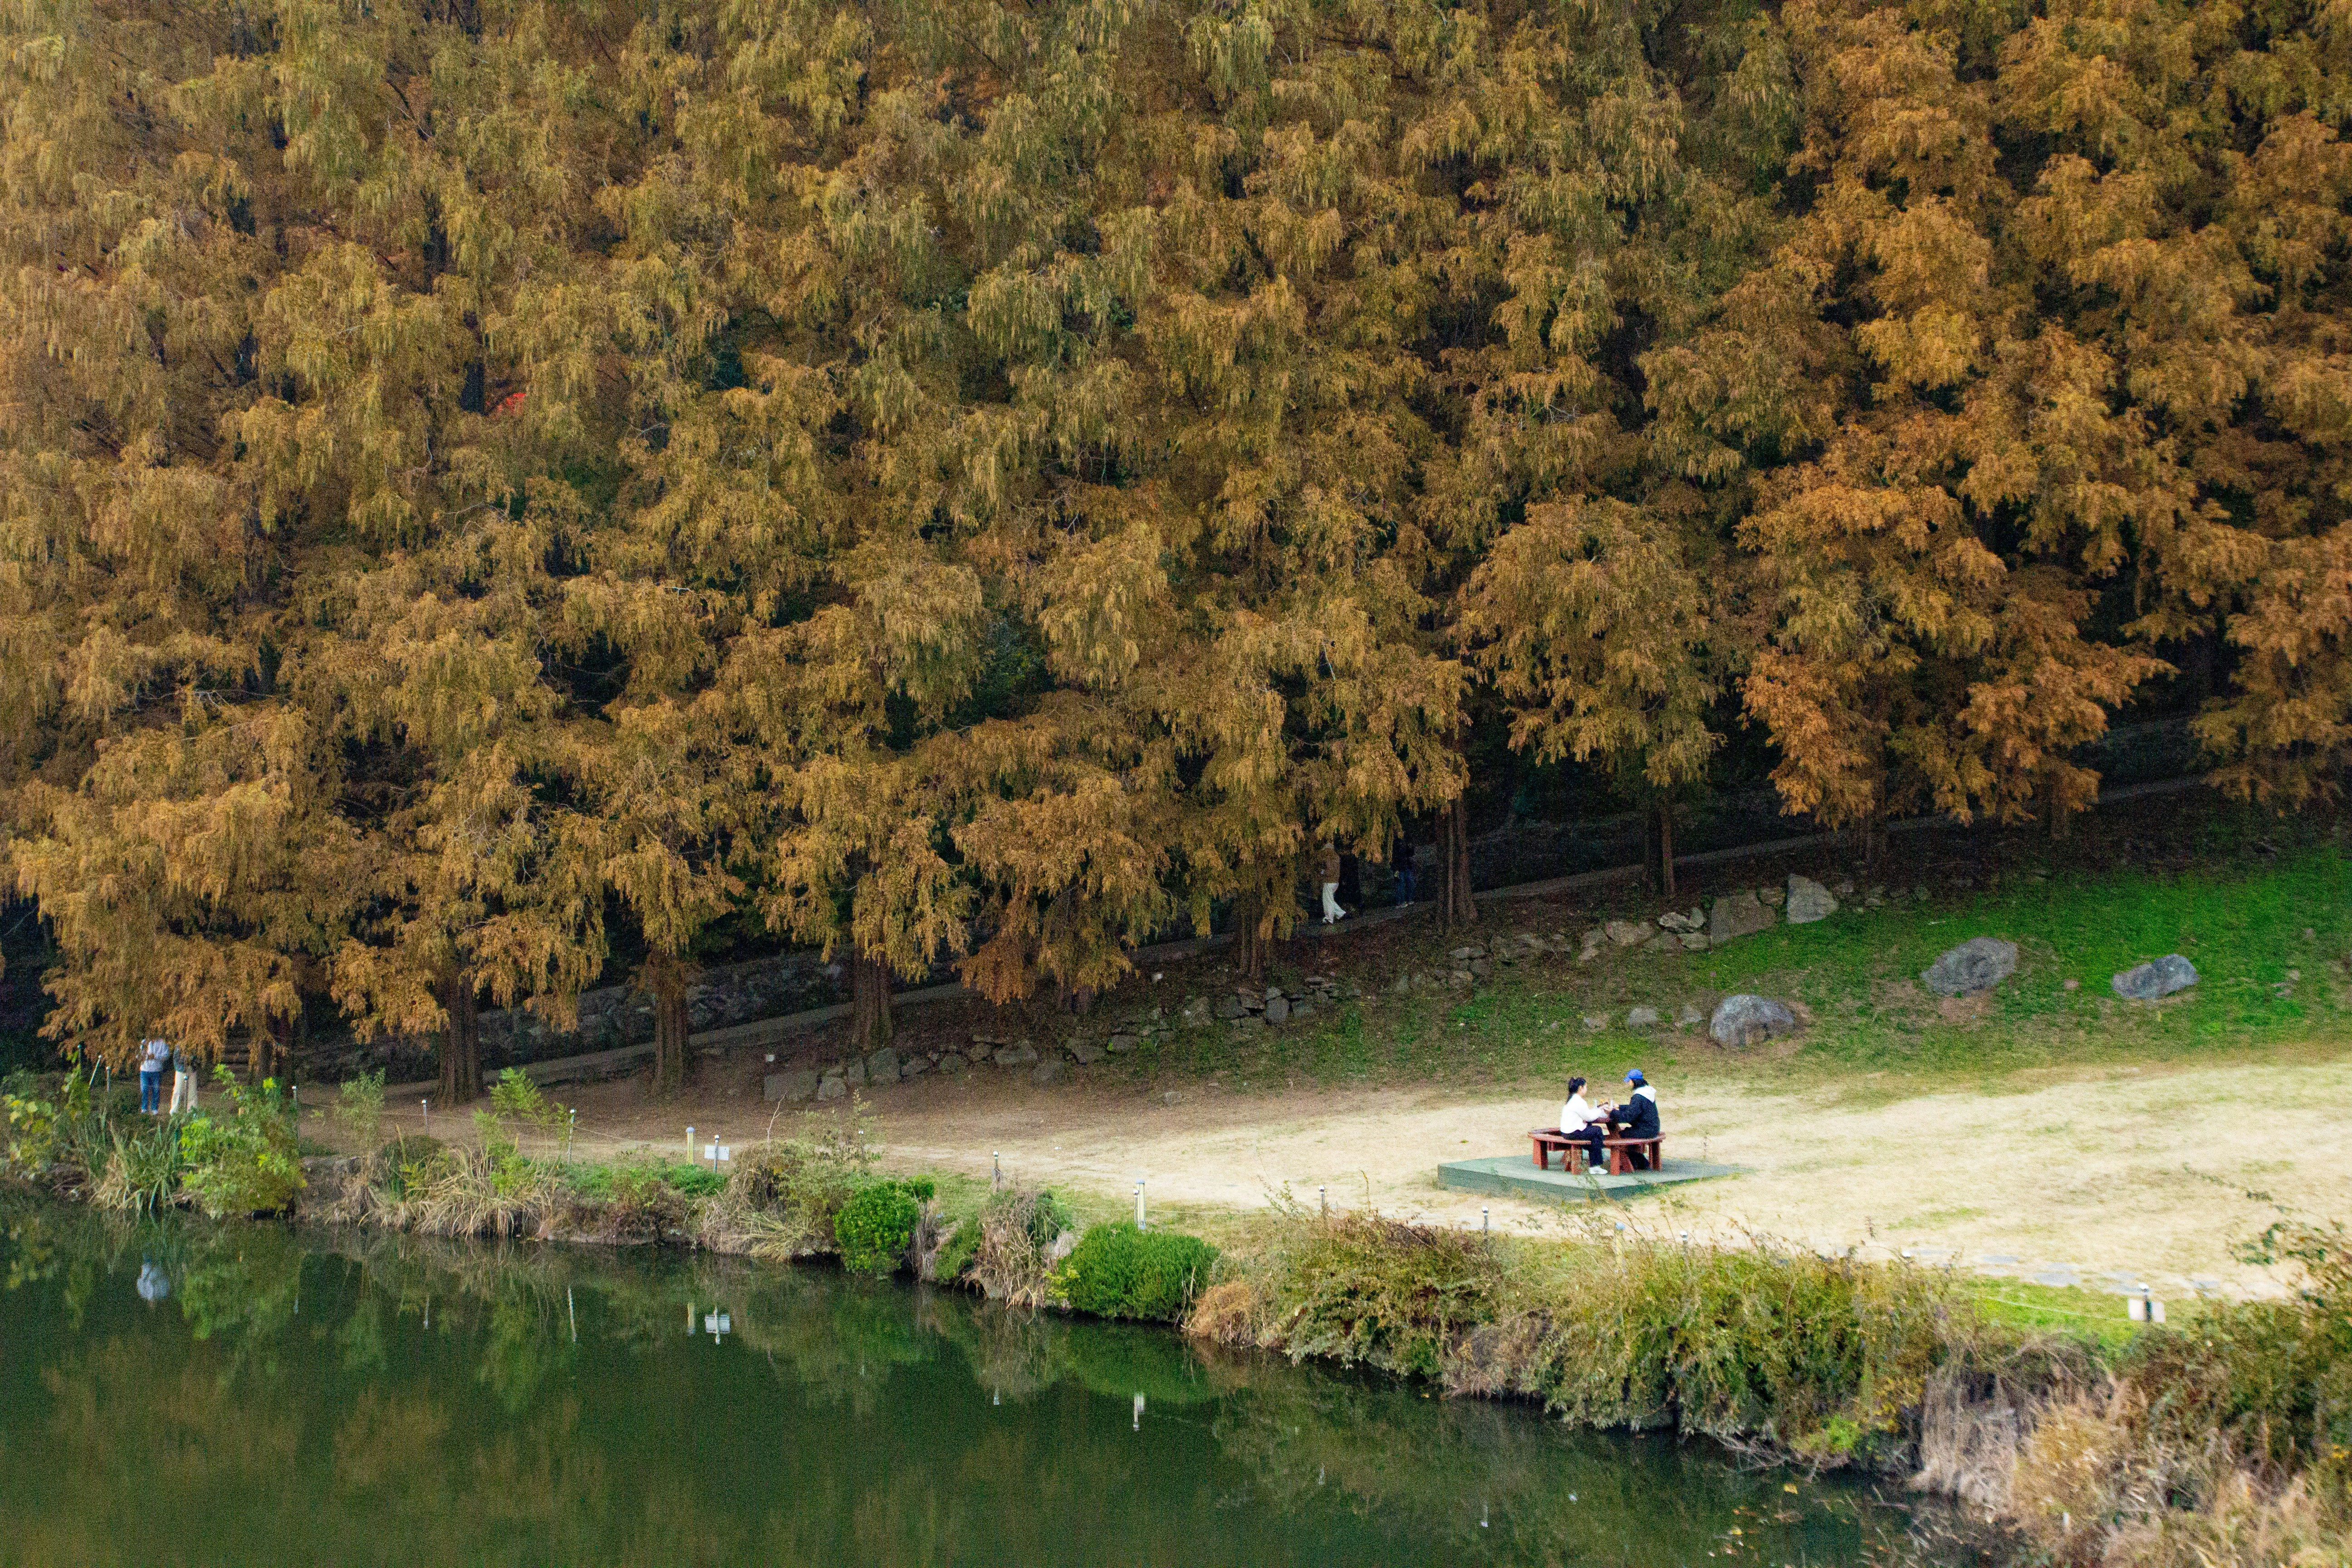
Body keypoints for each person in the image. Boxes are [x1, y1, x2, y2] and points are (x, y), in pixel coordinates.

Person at [1606, 1068, 1660, 1169]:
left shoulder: (1638, 1097)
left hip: (1645, 1130)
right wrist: (1620, 1107)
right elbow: (1636, 1109)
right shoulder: (1647, 1093)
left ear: (1634, 1081)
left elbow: (1629, 1117)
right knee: (1626, 1134)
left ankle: (1637, 1163)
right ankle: (1640, 1163)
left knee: (1620, 1136)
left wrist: (1612, 1112)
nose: (1629, 1083)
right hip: (1653, 1128)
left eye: (1630, 1081)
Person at [1558, 1076, 1608, 1173]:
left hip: (1566, 1132)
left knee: (1595, 1137)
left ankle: (1596, 1165)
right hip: (1573, 1133)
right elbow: (1589, 1117)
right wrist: (1600, 1110)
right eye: (1586, 1087)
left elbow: (1586, 1115)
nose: (1587, 1089)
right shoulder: (1579, 1101)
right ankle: (1597, 1159)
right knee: (1597, 1130)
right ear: (1581, 1088)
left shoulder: (1572, 1099)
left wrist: (1597, 1110)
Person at [137, 1038, 169, 1115]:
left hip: (156, 1070)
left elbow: (166, 1056)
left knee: (156, 1090)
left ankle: (155, 1109)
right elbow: (138, 1055)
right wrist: (144, 1056)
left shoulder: (163, 1043)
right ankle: (144, 1108)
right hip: (145, 1070)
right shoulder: (144, 1042)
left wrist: (155, 1057)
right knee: (144, 1089)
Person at [1318, 843, 1346, 924]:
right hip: (1335, 882)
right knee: (1330, 899)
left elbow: (1329, 872)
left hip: (1329, 882)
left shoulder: (1329, 858)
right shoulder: (1336, 857)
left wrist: (1322, 872)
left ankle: (1329, 919)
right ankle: (1341, 914)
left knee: (1328, 901)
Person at [168, 1042, 198, 1115]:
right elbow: (176, 1059)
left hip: (192, 1070)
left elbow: (198, 1058)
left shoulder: (195, 1044)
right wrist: (185, 1062)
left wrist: (192, 1062)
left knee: (192, 1092)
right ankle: (174, 1111)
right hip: (181, 1071)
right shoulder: (180, 1045)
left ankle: (192, 1112)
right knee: (178, 1091)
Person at [1393, 839, 1418, 906]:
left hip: (1406, 867)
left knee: (1410, 882)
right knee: (1401, 884)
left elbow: (1410, 854)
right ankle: (1400, 902)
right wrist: (1396, 869)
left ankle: (1408, 899)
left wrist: (1410, 847)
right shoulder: (1396, 845)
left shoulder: (1405, 844)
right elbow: (1395, 858)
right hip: (1399, 868)